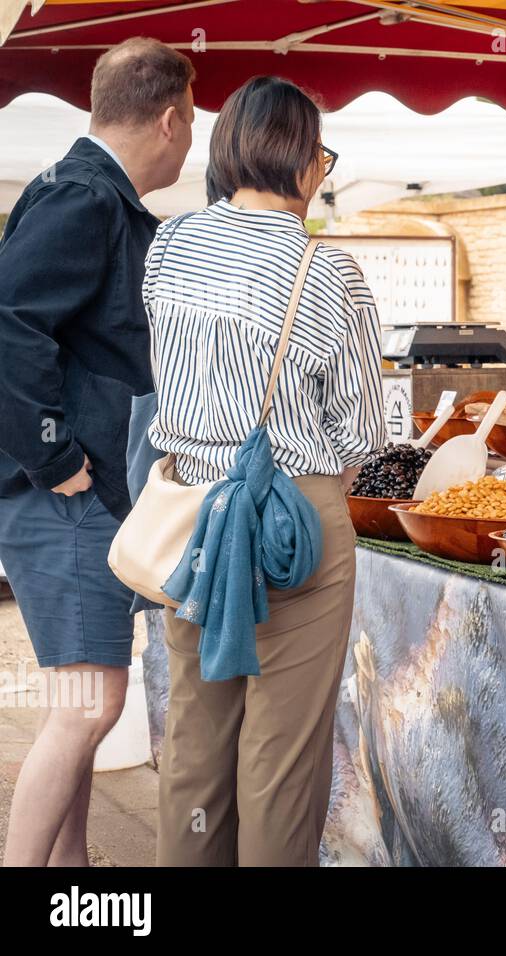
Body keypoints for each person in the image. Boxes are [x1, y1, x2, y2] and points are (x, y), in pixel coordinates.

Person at [149, 76, 384, 866]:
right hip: (297, 520)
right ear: (303, 161)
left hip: (192, 512)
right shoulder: (328, 271)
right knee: (280, 760)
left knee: (195, 739)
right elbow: (358, 433)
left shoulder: (169, 244)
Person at [0, 39, 195, 867]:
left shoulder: (81, 191)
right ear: (169, 117)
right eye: (192, 122)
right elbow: (8, 325)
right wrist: (58, 460)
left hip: (77, 501)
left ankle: (70, 874)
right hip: (66, 502)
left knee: (81, 704)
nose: (192, 140)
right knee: (87, 704)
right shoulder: (83, 196)